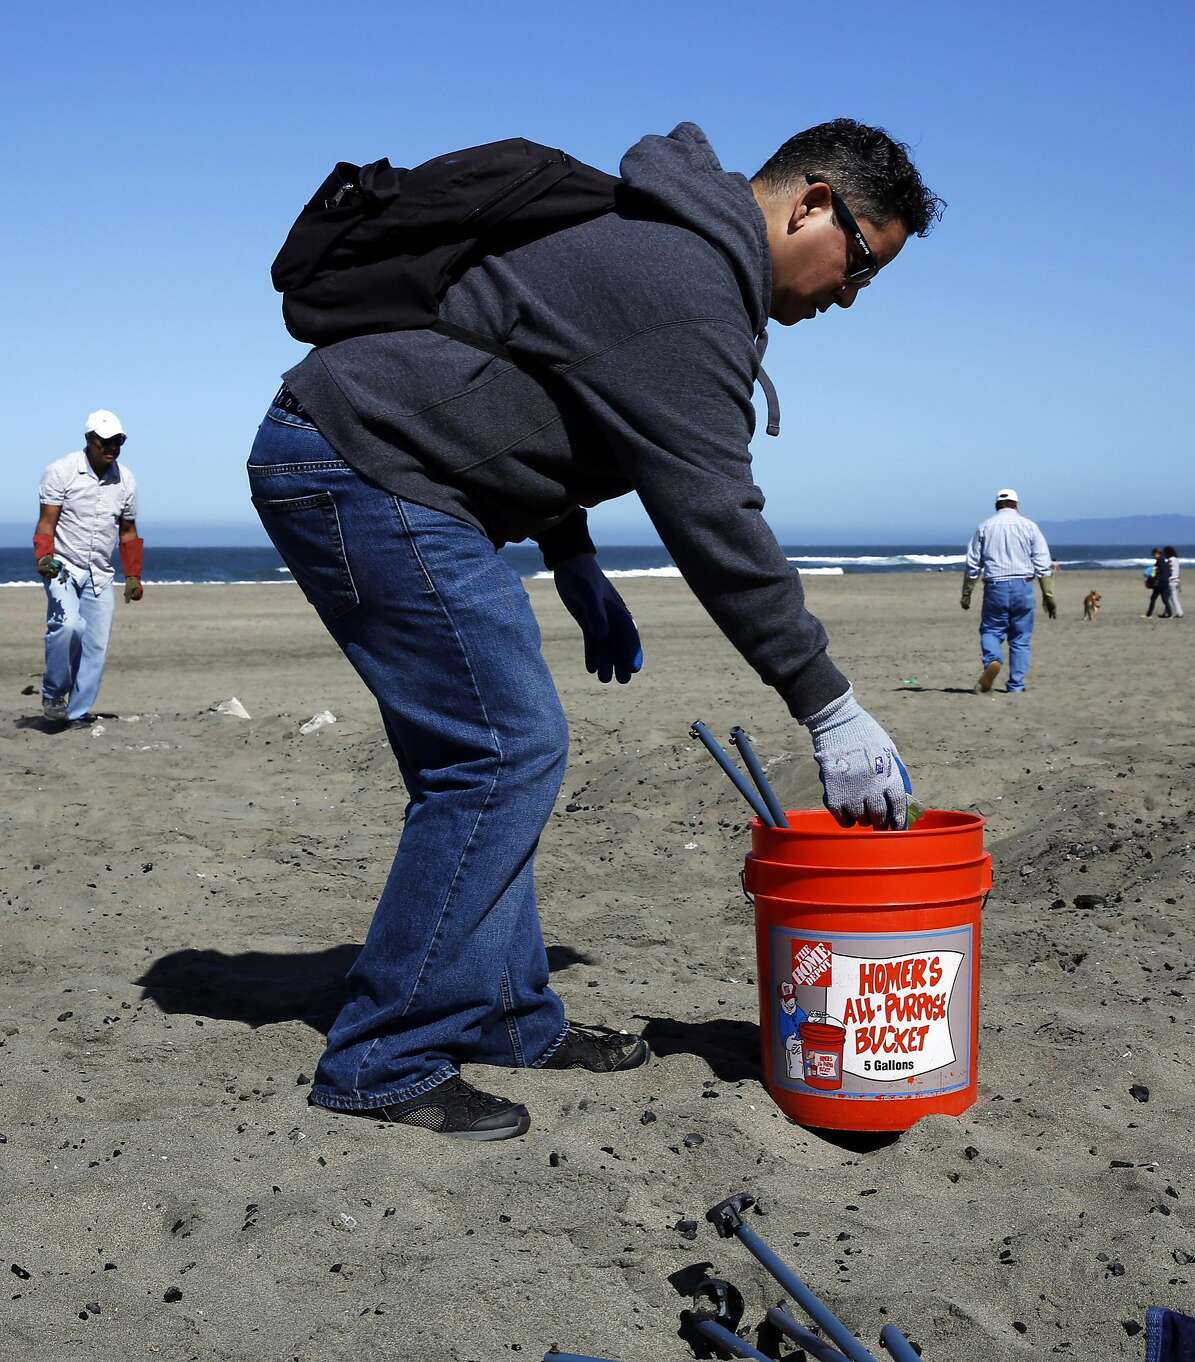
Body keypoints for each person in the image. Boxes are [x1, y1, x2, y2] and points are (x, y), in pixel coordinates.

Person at [249, 119, 943, 1140]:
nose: (848, 295)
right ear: (812, 204)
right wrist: (829, 709)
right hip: (361, 463)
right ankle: (383, 1054)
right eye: (860, 267)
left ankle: (504, 1012)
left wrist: (572, 561)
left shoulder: (680, 255)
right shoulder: (689, 281)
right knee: (499, 752)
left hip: (405, 475)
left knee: (499, 750)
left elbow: (527, 379)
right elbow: (714, 518)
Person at [34, 411, 144, 726]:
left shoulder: (126, 480)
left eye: (118, 442)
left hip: (100, 573)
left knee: (95, 646)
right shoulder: (60, 471)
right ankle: (54, 693)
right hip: (63, 567)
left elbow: (127, 532)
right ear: (89, 440)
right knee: (68, 627)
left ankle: (76, 712)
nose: (111, 447)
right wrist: (44, 557)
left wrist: (133, 576)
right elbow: (46, 522)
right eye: (105, 441)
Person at [960, 489, 1054, 694]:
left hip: (996, 586)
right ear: (1017, 505)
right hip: (1023, 586)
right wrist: (1048, 594)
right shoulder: (1029, 526)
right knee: (1021, 638)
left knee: (991, 630)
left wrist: (967, 592)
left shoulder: (985, 526)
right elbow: (1042, 561)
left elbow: (973, 563)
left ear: (996, 506)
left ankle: (993, 659)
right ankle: (1016, 685)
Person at [1162, 546, 1184, 618]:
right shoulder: (1176, 560)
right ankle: (1166, 612)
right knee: (1169, 598)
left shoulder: (1170, 560)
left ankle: (1179, 613)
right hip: (1177, 580)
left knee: (1172, 598)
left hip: (1171, 581)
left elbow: (1169, 570)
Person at [1144, 548, 1166, 618]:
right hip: (1161, 582)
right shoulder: (1162, 560)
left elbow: (1156, 572)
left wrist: (1150, 577)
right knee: (1164, 599)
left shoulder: (1159, 561)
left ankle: (1149, 614)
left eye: (1153, 554)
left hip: (1158, 583)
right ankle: (1169, 612)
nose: (1153, 556)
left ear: (1157, 553)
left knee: (1154, 598)